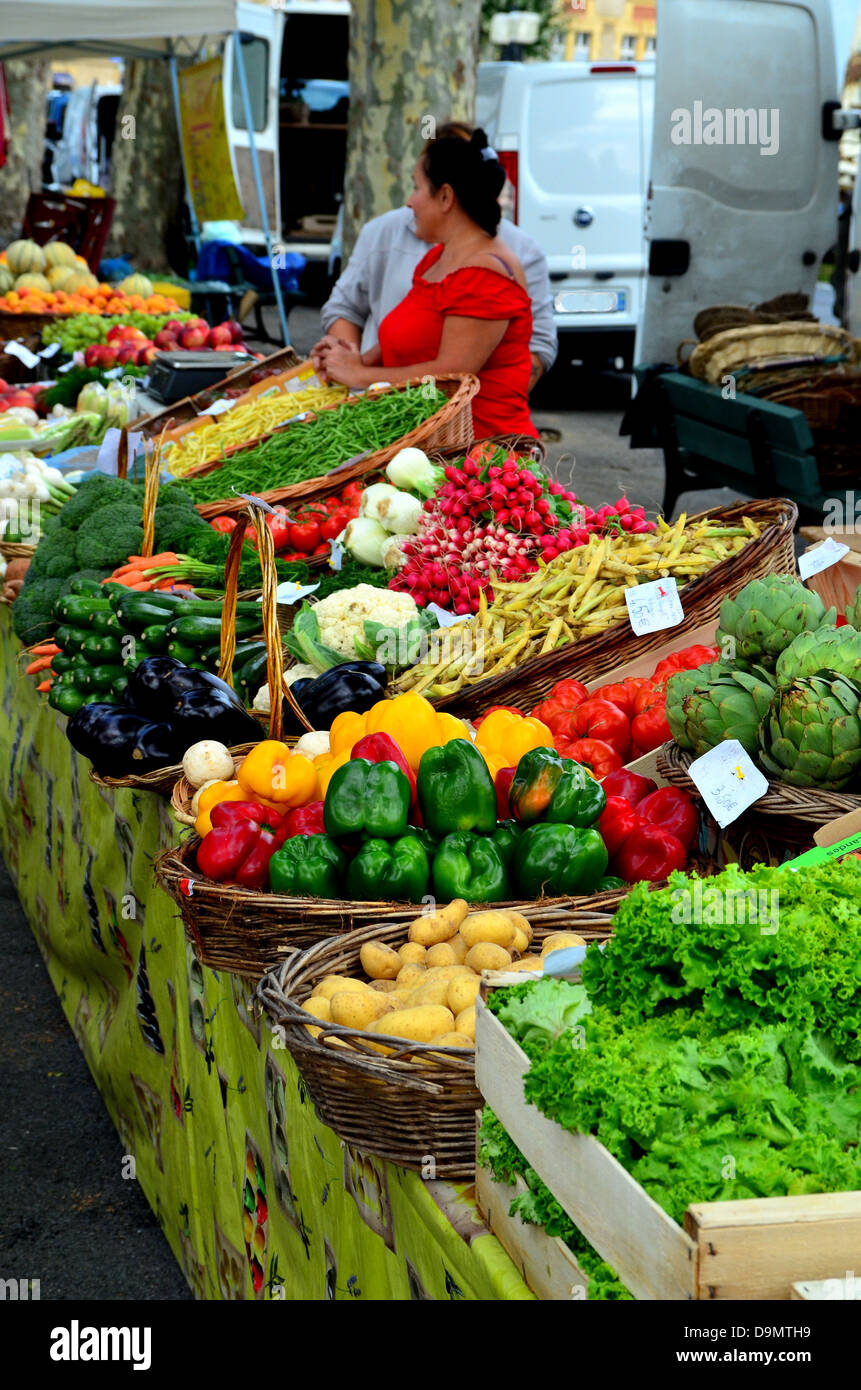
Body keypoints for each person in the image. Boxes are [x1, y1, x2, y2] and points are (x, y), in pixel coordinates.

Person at [313, 128, 542, 438]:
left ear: (445, 197)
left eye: (416, 188)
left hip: (478, 460)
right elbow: (413, 339)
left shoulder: (486, 275)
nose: (409, 202)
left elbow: (451, 377)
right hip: (424, 441)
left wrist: (360, 374)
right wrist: (348, 358)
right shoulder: (437, 258)